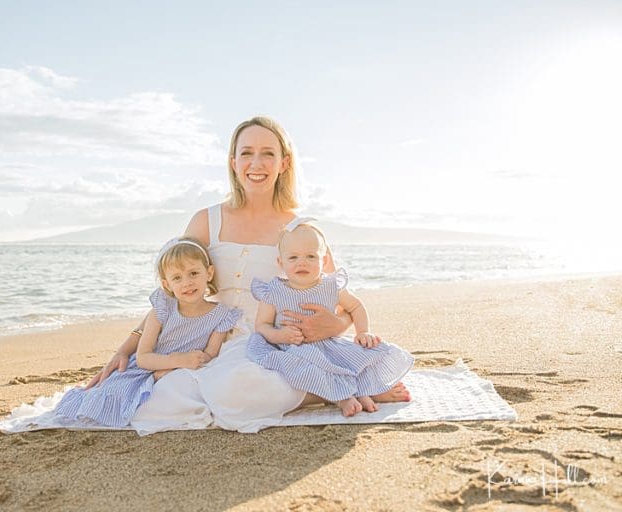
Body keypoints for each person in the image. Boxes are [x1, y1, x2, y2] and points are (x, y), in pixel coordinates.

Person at [86, 116, 410, 435]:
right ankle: (328, 390)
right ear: (233, 161)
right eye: (246, 152)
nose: (257, 162)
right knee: (158, 398)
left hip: (277, 345)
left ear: (284, 162)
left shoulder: (300, 229)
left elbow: (333, 296)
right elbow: (172, 296)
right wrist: (125, 349)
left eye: (268, 153)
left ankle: (330, 387)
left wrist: (338, 325)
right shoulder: (206, 221)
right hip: (213, 344)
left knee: (237, 387)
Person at [53, 237, 240, 428]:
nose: (187, 283)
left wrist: (178, 368)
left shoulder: (222, 315)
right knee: (113, 393)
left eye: (193, 273)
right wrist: (175, 362)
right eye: (177, 278)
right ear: (167, 284)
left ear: (209, 273)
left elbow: (209, 355)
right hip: (146, 368)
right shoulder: (163, 308)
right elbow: (143, 357)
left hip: (181, 369)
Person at [247, 221, 414, 417]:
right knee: (309, 369)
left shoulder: (331, 286)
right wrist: (279, 335)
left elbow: (355, 306)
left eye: (311, 256)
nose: (302, 262)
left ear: (324, 261)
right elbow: (262, 326)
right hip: (292, 349)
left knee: (362, 356)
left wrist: (363, 332)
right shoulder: (273, 291)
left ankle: (365, 390)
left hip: (327, 345)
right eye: (293, 257)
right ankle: (343, 397)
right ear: (281, 263)